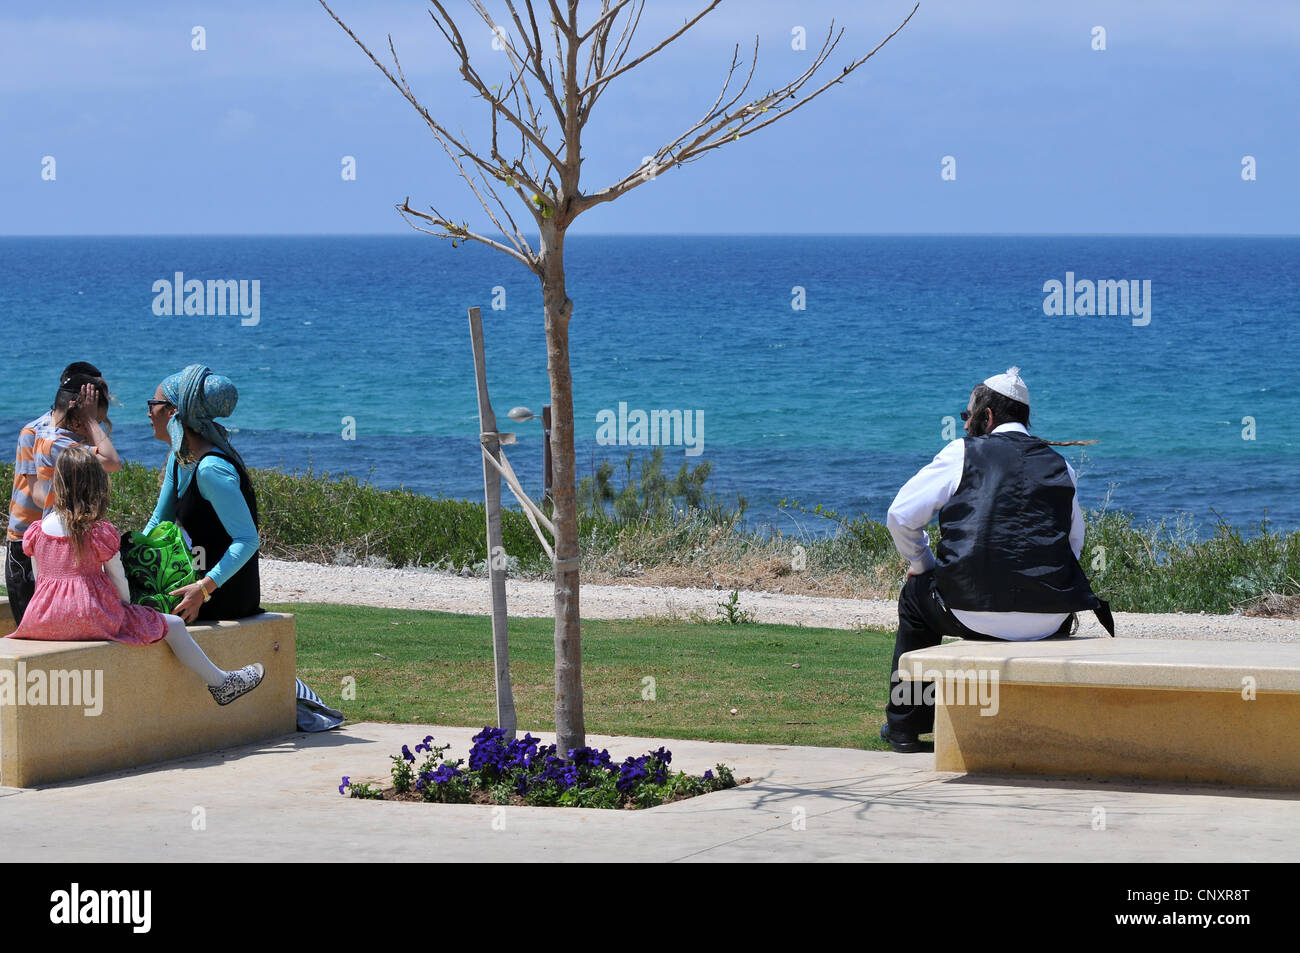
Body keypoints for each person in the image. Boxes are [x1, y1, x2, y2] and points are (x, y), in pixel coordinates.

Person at [879, 367, 1114, 753]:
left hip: (969, 610)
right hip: (1048, 616)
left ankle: (906, 725)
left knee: (914, 597)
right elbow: (1074, 543)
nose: (966, 423)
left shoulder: (961, 453)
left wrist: (923, 565)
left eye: (967, 416)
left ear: (987, 417)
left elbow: (900, 517)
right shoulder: (1061, 466)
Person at [143, 364, 343, 730]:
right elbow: (158, 522)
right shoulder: (179, 459)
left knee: (145, 618)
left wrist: (203, 589)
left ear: (174, 413)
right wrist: (130, 561)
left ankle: (284, 693)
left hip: (225, 591)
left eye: (152, 404)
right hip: (196, 583)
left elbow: (247, 540)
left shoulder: (209, 469)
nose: (148, 412)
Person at [6, 446, 264, 706]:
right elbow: (120, 585)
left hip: (42, 619)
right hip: (91, 617)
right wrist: (130, 610)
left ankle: (222, 682)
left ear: (58, 483)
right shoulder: (99, 532)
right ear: (96, 484)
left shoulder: (37, 531)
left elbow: (41, 582)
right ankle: (221, 683)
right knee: (173, 625)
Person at [6, 365, 121, 624]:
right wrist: (80, 509)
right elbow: (37, 493)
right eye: (93, 419)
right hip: (27, 538)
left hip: (57, 537)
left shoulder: (67, 435)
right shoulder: (37, 434)